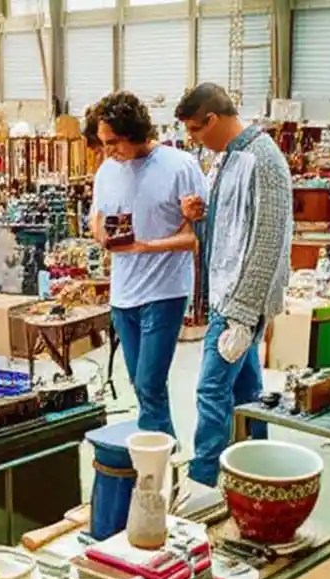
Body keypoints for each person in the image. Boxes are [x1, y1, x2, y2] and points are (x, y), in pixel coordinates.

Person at [175, 82, 291, 487]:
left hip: (240, 300)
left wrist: (242, 313)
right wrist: (200, 216)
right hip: (229, 292)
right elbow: (230, 229)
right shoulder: (229, 158)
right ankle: (257, 468)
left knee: (211, 390)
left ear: (212, 118)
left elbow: (268, 237)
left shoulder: (263, 159)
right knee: (247, 393)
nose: (193, 139)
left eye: (194, 129)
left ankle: (202, 481)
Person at [89, 91, 206, 439]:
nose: (108, 150)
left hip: (165, 291)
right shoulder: (107, 171)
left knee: (149, 383)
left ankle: (153, 465)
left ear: (135, 132)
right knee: (141, 386)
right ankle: (161, 458)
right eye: (103, 142)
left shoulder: (179, 166)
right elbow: (96, 218)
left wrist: (145, 246)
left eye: (114, 141)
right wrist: (102, 237)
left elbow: (197, 238)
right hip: (123, 294)